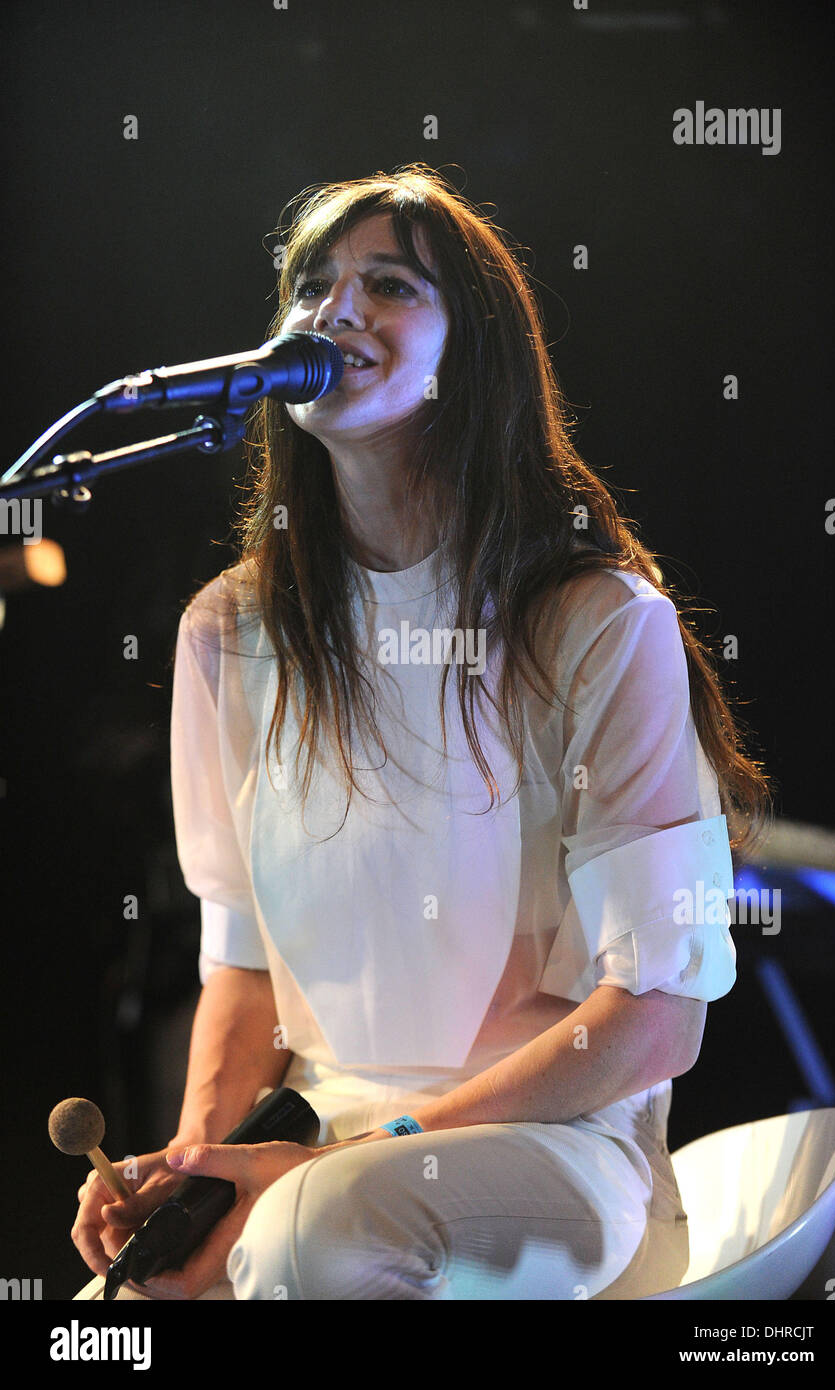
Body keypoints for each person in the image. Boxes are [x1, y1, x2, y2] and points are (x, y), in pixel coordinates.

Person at [72, 163, 772, 1301]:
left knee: (318, 1236)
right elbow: (242, 974)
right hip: (303, 1147)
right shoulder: (230, 631)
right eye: (311, 286)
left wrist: (354, 1155)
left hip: (554, 1145)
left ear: (473, 356)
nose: (333, 311)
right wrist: (194, 1170)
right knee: (105, 1325)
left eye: (388, 284)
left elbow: (654, 1021)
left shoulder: (600, 625)